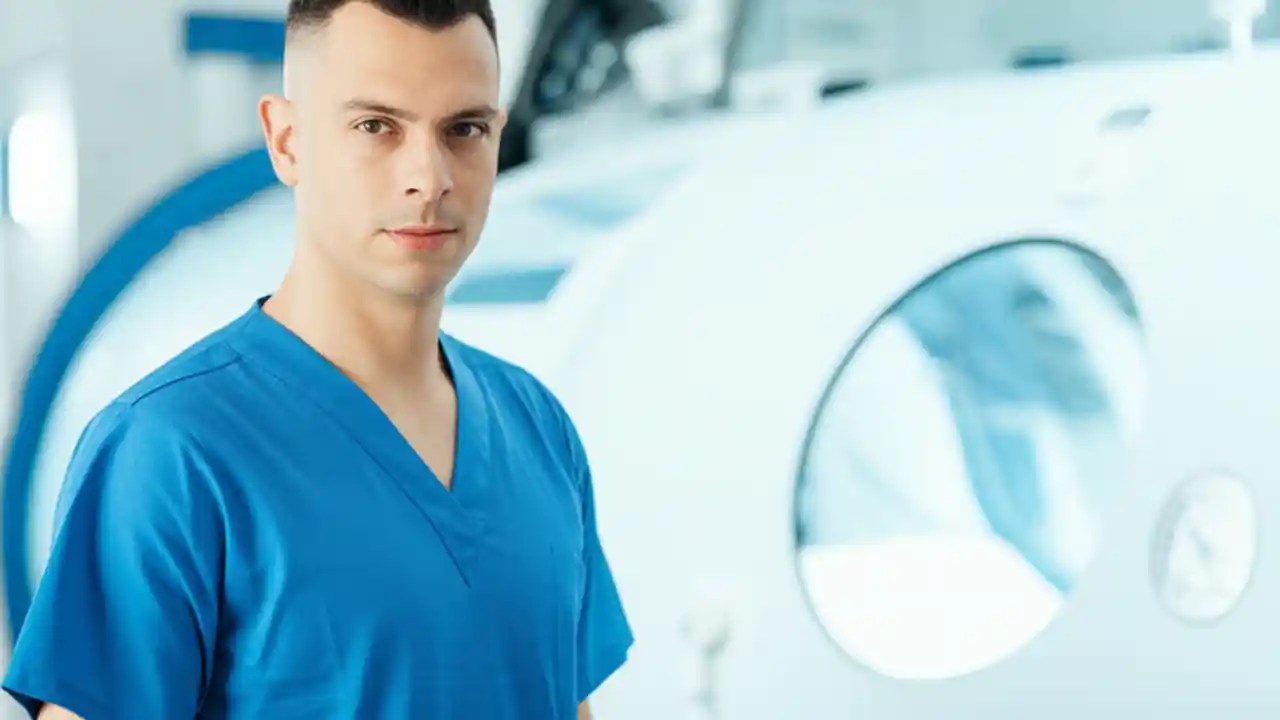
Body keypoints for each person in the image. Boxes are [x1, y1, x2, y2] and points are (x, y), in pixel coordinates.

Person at [1, 1, 633, 718]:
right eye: (376, 127)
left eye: (464, 129)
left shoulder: (537, 427)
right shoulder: (170, 452)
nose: (428, 178)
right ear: (288, 140)